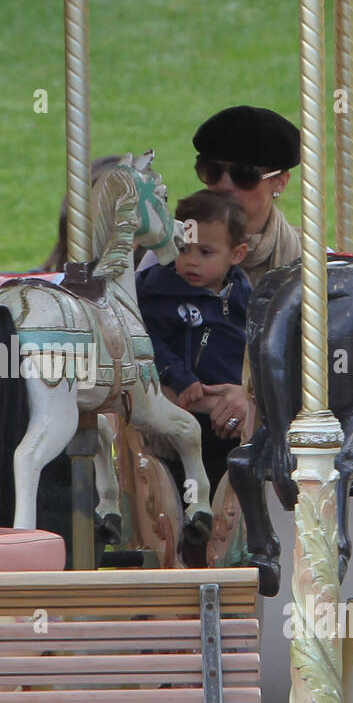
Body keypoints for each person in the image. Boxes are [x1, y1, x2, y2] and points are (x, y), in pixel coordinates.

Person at [137, 190, 251, 497]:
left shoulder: (243, 294)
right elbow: (148, 341)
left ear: (236, 254)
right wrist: (178, 375)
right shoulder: (159, 294)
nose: (190, 261)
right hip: (186, 407)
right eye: (183, 248)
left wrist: (248, 389)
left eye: (205, 252)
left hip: (229, 412)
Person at [191, 105, 303, 287]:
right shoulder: (174, 249)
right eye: (213, 171)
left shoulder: (313, 263)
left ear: (280, 182)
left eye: (244, 174)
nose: (224, 185)